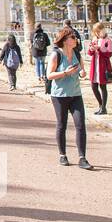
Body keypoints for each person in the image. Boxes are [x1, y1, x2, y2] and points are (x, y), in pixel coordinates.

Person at [47, 26, 93, 169]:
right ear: (65, 40)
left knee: (80, 125)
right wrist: (65, 73)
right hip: (59, 95)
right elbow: (49, 75)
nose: (75, 39)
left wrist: (82, 73)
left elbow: (81, 70)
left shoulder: (77, 54)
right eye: (72, 37)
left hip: (75, 94)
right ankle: (62, 155)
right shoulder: (56, 55)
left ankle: (82, 158)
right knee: (62, 125)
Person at [86, 21, 112, 116]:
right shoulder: (94, 39)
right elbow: (90, 53)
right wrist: (91, 48)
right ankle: (101, 105)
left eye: (98, 31)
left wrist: (99, 49)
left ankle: (103, 108)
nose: (97, 33)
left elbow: (108, 54)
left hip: (103, 65)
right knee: (94, 86)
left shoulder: (108, 40)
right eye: (96, 32)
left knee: (103, 86)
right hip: (95, 65)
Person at [32, 24, 51, 93]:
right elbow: (48, 43)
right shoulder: (44, 34)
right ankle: (43, 75)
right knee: (42, 63)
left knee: (37, 63)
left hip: (35, 51)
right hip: (43, 51)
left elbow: (31, 42)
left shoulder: (33, 34)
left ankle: (38, 77)